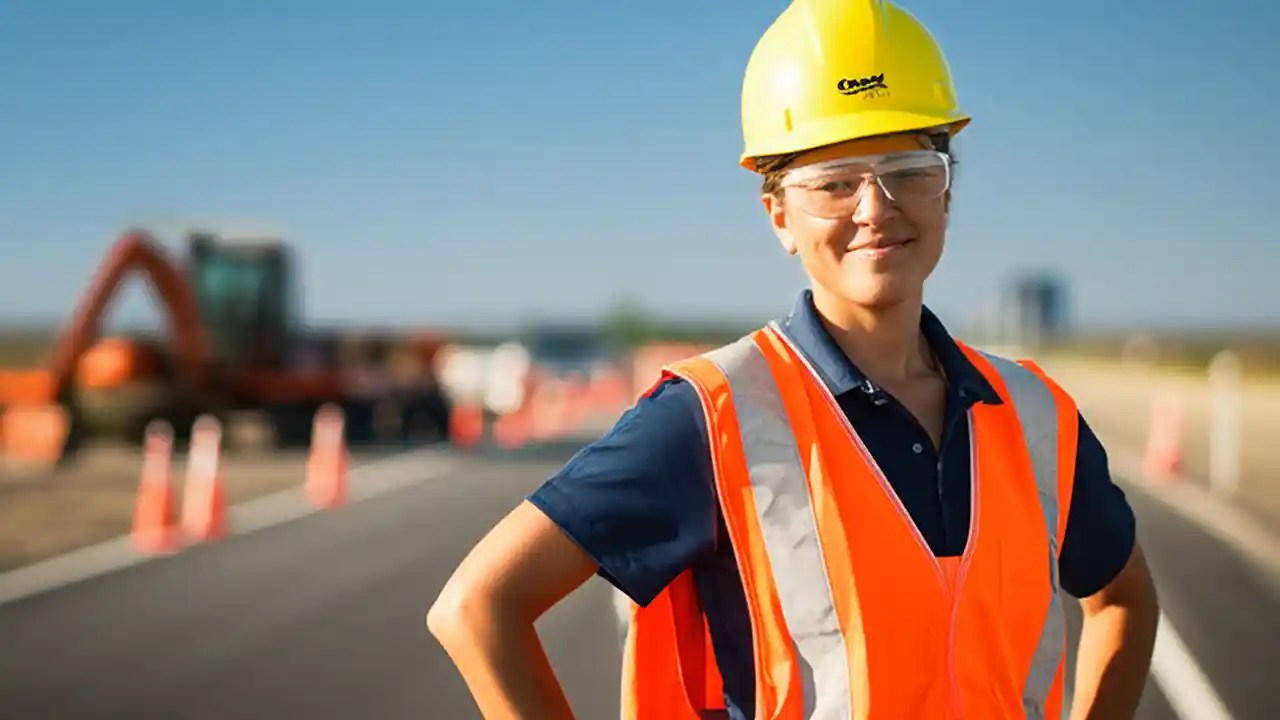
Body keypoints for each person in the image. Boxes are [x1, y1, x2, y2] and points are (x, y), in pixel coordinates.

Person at [427, 0, 1160, 717]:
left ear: (947, 187)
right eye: (834, 183)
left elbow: (1123, 595)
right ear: (779, 214)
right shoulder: (712, 417)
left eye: (907, 168)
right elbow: (476, 608)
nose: (875, 207)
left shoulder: (1035, 414)